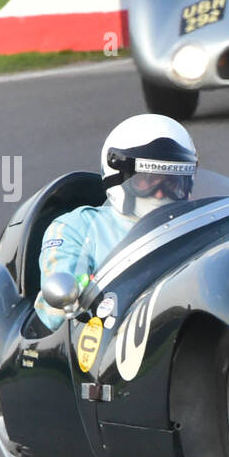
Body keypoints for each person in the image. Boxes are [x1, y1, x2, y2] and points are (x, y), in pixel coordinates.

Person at [33, 114, 198, 330]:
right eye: (147, 181)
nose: (160, 194)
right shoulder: (78, 227)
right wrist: (76, 288)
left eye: (171, 182)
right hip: (100, 337)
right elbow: (53, 314)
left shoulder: (198, 224)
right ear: (118, 178)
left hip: (181, 325)